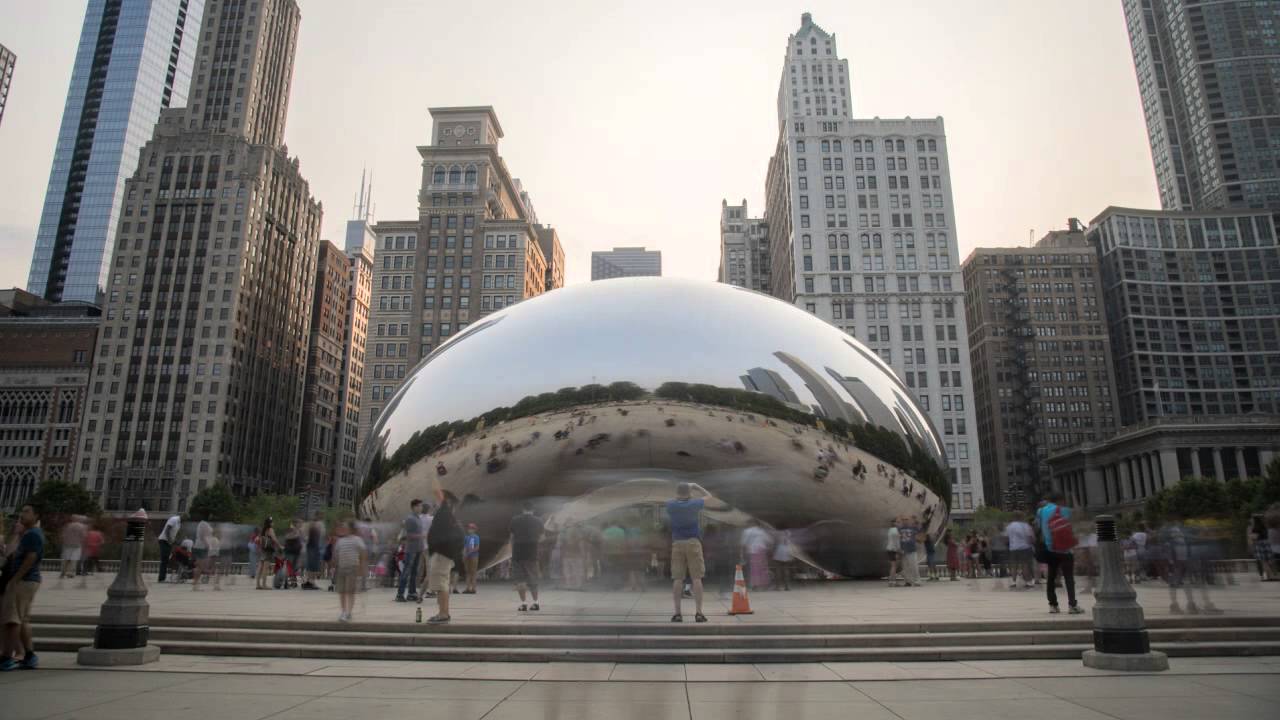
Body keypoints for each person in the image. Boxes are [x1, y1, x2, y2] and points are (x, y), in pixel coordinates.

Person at [665, 482, 725, 622]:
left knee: (677, 578)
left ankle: (677, 613)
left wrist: (684, 491)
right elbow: (709, 496)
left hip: (677, 543)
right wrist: (696, 486)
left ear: (677, 492)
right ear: (689, 493)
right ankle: (698, 613)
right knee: (696, 578)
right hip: (693, 542)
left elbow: (673, 499)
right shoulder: (695, 504)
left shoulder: (670, 505)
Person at [0, 504, 44, 671]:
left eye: (27, 512)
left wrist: (15, 579)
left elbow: (31, 557)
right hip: (26, 580)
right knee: (21, 619)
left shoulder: (33, 534)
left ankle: (7, 657)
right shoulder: (28, 533)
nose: (22, 515)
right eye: (22, 511)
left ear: (36, 515)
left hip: (23, 581)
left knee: (13, 620)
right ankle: (29, 655)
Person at [1036, 491, 1083, 614]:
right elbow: (1079, 515)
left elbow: (1038, 527)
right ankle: (1072, 605)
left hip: (1049, 548)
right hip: (1065, 549)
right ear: (1061, 500)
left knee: (1051, 577)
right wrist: (1074, 498)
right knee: (1068, 577)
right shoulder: (1065, 510)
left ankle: (1053, 605)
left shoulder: (1040, 511)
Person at [424, 488, 464, 624]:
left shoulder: (444, 513)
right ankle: (443, 612)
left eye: (438, 498)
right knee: (443, 584)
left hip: (441, 554)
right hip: (444, 554)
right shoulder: (449, 516)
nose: (434, 501)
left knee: (441, 585)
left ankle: (443, 614)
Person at [509, 501, 545, 612]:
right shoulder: (538, 521)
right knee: (533, 578)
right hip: (532, 554)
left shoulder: (515, 520)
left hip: (518, 553)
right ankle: (535, 603)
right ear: (533, 510)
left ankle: (523, 604)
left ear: (522, 509)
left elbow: (511, 538)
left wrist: (512, 552)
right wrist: (534, 542)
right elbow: (543, 537)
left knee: (520, 580)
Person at [333, 519, 367, 622]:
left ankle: (348, 612)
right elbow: (336, 554)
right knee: (342, 591)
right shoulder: (340, 541)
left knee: (350, 591)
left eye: (346, 527)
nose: (343, 528)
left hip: (352, 568)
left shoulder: (357, 540)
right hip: (341, 568)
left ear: (351, 529)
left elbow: (363, 553)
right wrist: (334, 564)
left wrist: (362, 567)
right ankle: (343, 611)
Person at [395, 499, 425, 602]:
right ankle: (400, 594)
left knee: (414, 572)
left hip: (418, 549)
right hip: (411, 549)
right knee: (407, 571)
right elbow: (408, 535)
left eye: (421, 506)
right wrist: (421, 536)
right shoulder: (410, 519)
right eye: (420, 506)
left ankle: (412, 593)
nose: (421, 508)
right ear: (414, 507)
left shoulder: (418, 518)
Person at [1006, 515, 1037, 590]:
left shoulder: (1009, 526)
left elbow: (1006, 538)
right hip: (1024, 547)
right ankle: (1027, 582)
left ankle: (1013, 582)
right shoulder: (1026, 526)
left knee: (1014, 565)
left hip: (1013, 548)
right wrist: (1032, 543)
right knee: (1025, 565)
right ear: (1022, 517)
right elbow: (1031, 537)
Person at [740, 521, 771, 591]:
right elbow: (769, 541)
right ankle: (764, 585)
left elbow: (743, 543)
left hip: (752, 551)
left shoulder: (746, 531)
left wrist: (742, 553)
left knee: (753, 569)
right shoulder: (762, 531)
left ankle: (755, 585)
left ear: (751, 523)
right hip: (762, 551)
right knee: (763, 568)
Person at [59, 515, 85, 581]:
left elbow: (63, 535)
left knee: (66, 559)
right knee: (74, 559)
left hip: (67, 544)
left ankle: (63, 572)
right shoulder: (81, 526)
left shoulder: (67, 525)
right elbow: (83, 536)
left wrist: (63, 541)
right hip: (77, 545)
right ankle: (71, 573)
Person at [255, 517, 279, 590]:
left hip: (262, 549)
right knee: (265, 568)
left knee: (260, 567)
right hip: (268, 550)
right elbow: (274, 538)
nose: (273, 523)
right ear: (270, 523)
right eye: (272, 522)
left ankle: (258, 584)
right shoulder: (270, 529)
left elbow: (257, 539)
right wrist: (279, 545)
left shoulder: (263, 530)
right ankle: (264, 585)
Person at [303, 512, 325, 590]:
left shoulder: (313, 524)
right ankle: (310, 582)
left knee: (312, 565)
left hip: (313, 546)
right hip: (312, 546)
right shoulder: (314, 524)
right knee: (311, 565)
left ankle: (310, 581)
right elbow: (306, 535)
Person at [157, 513, 181, 583]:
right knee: (164, 559)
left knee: (166, 559)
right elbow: (167, 530)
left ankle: (162, 578)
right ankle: (161, 579)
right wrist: (169, 539)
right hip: (164, 540)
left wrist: (175, 541)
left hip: (168, 542)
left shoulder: (179, 523)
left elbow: (173, 534)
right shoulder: (174, 519)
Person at [899, 516, 921, 587]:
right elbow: (898, 539)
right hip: (903, 551)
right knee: (905, 567)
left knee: (914, 566)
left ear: (909, 521)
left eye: (906, 520)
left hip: (912, 550)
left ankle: (917, 581)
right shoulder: (900, 529)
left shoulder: (913, 528)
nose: (905, 521)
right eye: (904, 520)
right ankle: (907, 581)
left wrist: (916, 521)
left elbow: (919, 528)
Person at [1250, 515, 1273, 581]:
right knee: (1268, 561)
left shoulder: (1255, 528)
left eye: (1252, 519)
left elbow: (1254, 537)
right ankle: (1269, 576)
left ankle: (1270, 576)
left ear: (1255, 520)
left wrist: (1251, 536)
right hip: (1266, 543)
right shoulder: (1264, 527)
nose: (1251, 520)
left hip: (1259, 544)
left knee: (1263, 562)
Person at [192, 519, 213, 591]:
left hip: (198, 546)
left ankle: (195, 584)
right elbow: (202, 535)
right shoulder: (204, 524)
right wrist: (208, 545)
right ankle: (195, 584)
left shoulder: (201, 523)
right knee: (200, 567)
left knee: (199, 566)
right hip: (202, 547)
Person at [462, 523, 480, 594]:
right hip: (467, 556)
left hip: (473, 556)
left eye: (471, 528)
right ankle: (468, 588)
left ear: (474, 530)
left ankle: (473, 588)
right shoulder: (466, 537)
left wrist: (468, 553)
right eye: (469, 528)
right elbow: (465, 547)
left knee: (473, 572)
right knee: (468, 572)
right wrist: (464, 554)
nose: (470, 529)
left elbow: (477, 547)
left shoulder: (476, 537)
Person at [885, 518, 901, 587]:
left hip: (889, 549)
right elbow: (896, 542)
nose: (899, 523)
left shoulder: (890, 530)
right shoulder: (895, 531)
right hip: (893, 550)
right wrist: (898, 550)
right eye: (898, 522)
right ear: (895, 523)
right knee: (894, 566)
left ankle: (891, 581)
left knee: (893, 566)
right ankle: (893, 581)